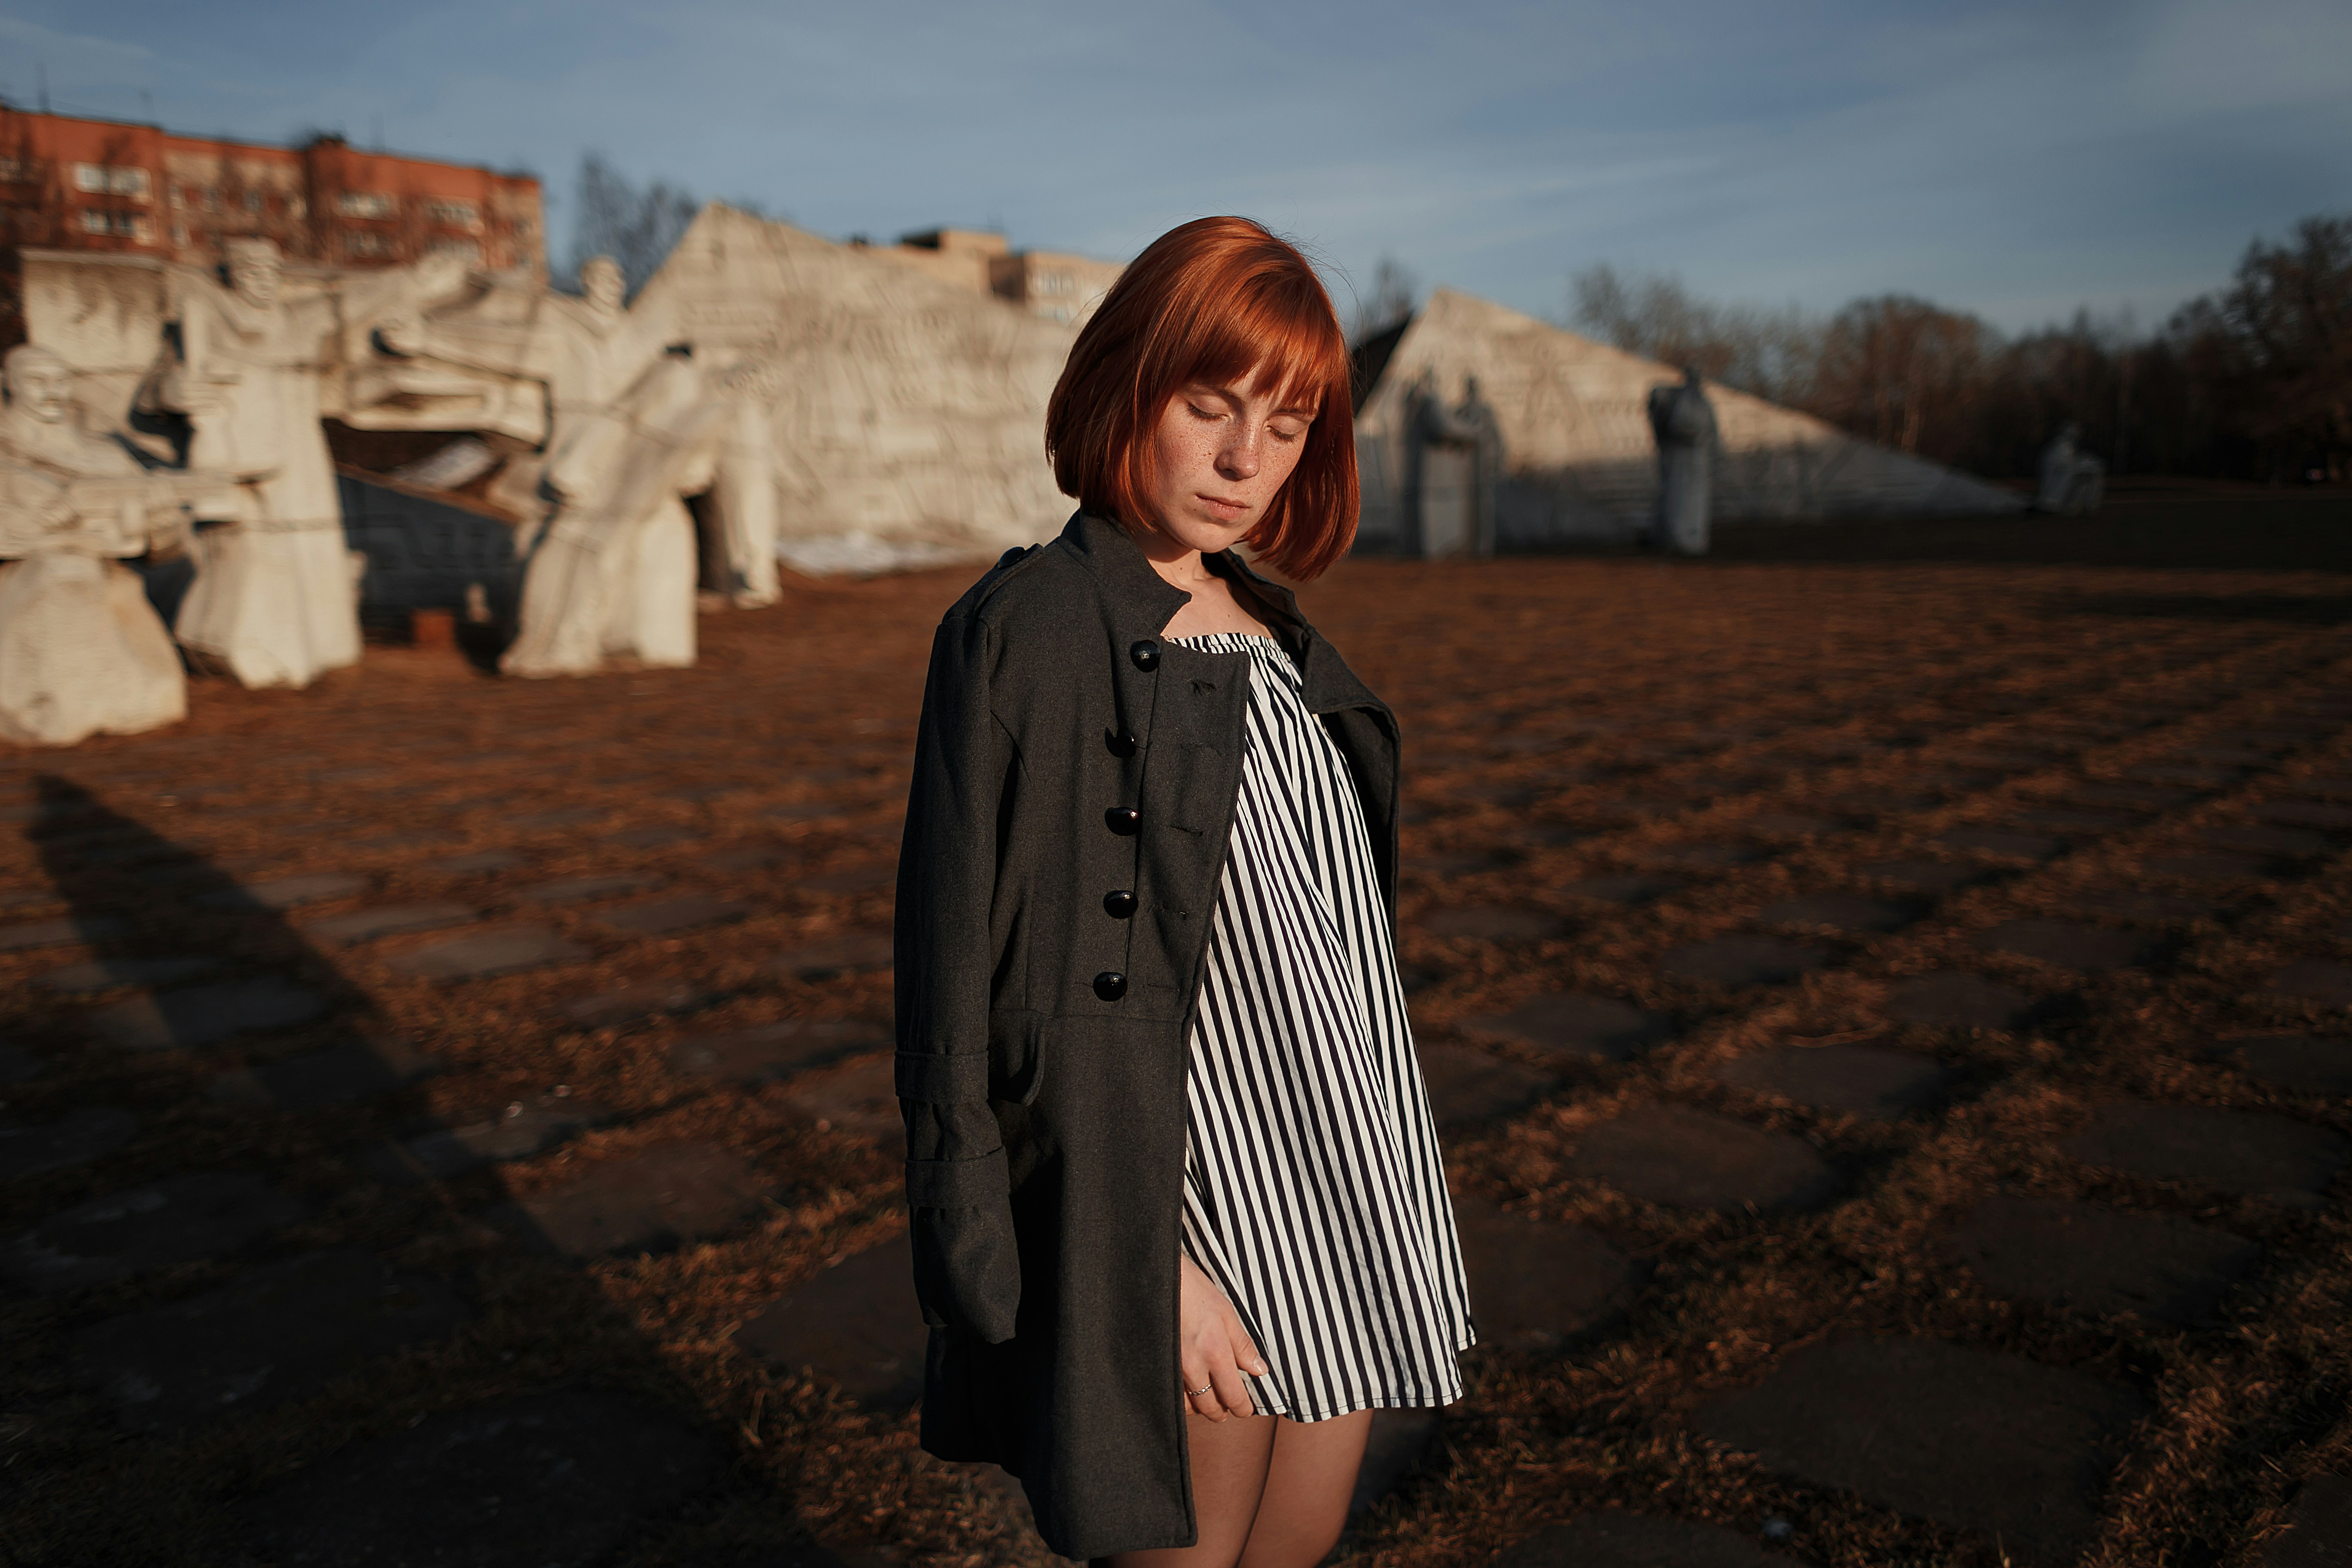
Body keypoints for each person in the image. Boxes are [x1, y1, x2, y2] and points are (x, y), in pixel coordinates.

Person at [895, 216, 1473, 1566]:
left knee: (1300, 1544)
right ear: (1123, 386)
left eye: (1286, 424)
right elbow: (973, 992)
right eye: (1208, 406)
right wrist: (1136, 1261)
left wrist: (1385, 1185)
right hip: (1173, 1205)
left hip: (1343, 1174)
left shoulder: (1272, 625)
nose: (1243, 460)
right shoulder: (1027, 631)